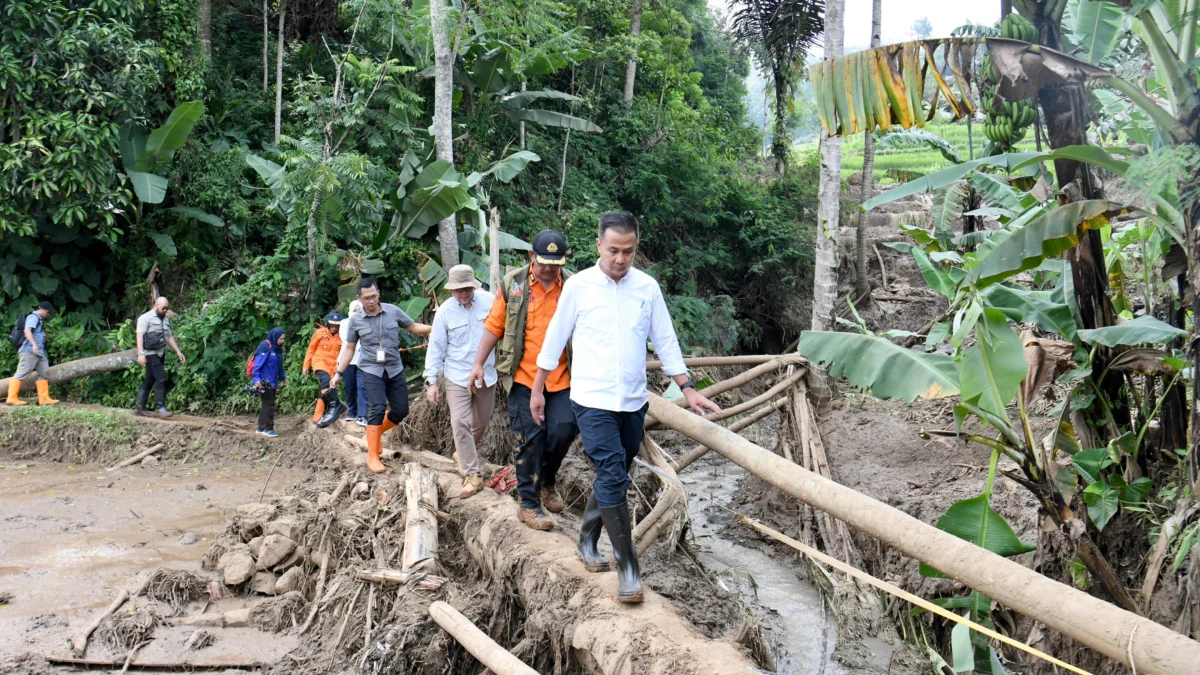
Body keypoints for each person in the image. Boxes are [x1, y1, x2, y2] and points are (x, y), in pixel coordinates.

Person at [531, 212, 722, 604]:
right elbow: (554, 341)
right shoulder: (579, 287)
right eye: (614, 250)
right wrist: (538, 389)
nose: (621, 258)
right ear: (599, 245)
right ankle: (629, 568)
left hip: (633, 401)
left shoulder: (647, 288)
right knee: (613, 471)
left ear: (636, 248)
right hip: (591, 400)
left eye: (629, 251)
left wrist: (687, 389)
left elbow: (665, 340)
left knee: (614, 473)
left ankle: (586, 539)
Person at [468, 230, 577, 531]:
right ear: (531, 257)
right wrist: (478, 364)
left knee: (565, 429)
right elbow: (494, 326)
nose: (549, 268)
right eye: (544, 262)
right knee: (530, 439)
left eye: (555, 263)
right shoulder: (513, 285)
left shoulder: (572, 286)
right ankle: (528, 505)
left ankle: (547, 481)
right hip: (524, 379)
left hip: (563, 379)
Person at [329, 278, 431, 473]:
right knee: (376, 408)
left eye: (374, 296)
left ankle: (373, 435)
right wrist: (339, 373)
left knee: (401, 410)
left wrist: (436, 330)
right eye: (367, 298)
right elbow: (349, 348)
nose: (371, 301)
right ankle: (373, 455)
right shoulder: (355, 321)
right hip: (370, 369)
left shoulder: (392, 311)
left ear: (378, 294)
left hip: (394, 368)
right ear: (359, 298)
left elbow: (413, 327)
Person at [424, 265, 498, 498]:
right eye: (458, 290)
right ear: (451, 290)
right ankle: (472, 474)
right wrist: (432, 381)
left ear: (474, 286)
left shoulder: (490, 301)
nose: (463, 293)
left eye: (467, 288)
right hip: (456, 375)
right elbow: (436, 347)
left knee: (481, 423)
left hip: (486, 373)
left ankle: (461, 454)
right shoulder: (445, 312)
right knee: (460, 421)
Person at [136, 296, 186, 417]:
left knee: (150, 379)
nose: (165, 310)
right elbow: (139, 336)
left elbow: (169, 337)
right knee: (161, 376)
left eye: (167, 308)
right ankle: (160, 408)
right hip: (150, 353)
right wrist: (141, 354)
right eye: (163, 308)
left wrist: (178, 352)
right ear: (156, 305)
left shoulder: (165, 319)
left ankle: (139, 408)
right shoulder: (145, 318)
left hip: (160, 353)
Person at [6, 301, 59, 406]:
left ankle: (44, 399)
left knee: (44, 372)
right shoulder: (33, 317)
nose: (48, 315)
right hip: (30, 350)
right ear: (41, 309)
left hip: (39, 352)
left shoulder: (39, 319)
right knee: (21, 373)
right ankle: (11, 398)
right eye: (48, 312)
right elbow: (27, 331)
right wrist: (34, 345)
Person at [303, 312, 345, 428]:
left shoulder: (343, 335)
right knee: (325, 382)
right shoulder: (320, 333)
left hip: (334, 366)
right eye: (332, 325)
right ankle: (322, 415)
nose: (334, 327)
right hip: (320, 362)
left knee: (327, 388)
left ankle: (321, 415)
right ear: (328, 323)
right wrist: (306, 365)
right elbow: (311, 349)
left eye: (337, 325)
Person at [251, 328, 287, 438]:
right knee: (269, 404)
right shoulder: (265, 346)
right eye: (281, 338)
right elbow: (257, 364)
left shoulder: (277, 349)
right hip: (264, 382)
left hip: (272, 381)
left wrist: (283, 378)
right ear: (275, 337)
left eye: (283, 339)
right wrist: (256, 379)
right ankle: (268, 428)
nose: (282, 341)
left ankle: (261, 427)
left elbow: (279, 366)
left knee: (267, 404)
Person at [342, 300, 369, 426]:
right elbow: (347, 340)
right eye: (355, 310)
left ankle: (362, 415)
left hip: (363, 361)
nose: (357, 312)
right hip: (348, 361)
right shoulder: (344, 323)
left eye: (360, 310)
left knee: (362, 387)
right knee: (350, 388)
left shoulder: (368, 322)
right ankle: (352, 412)